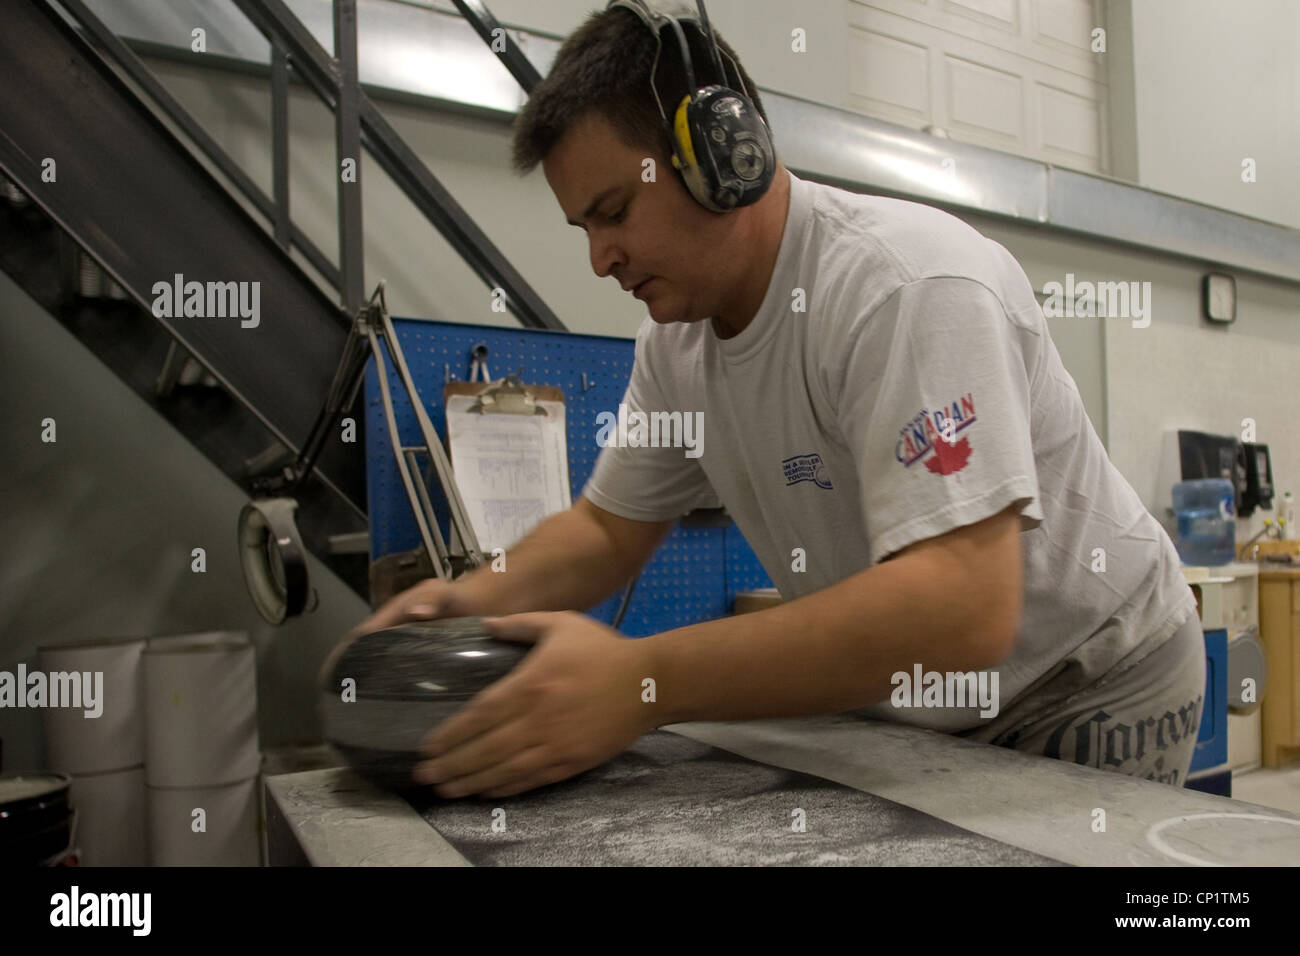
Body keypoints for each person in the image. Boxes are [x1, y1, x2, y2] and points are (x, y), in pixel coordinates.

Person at [350, 3, 1204, 800]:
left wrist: (641, 681)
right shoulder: (677, 346)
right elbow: (606, 532)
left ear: (724, 156)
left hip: (1083, 677)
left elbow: (960, 610)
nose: (600, 258)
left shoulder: (903, 288)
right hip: (930, 707)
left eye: (615, 212)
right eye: (585, 229)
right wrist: (465, 601)